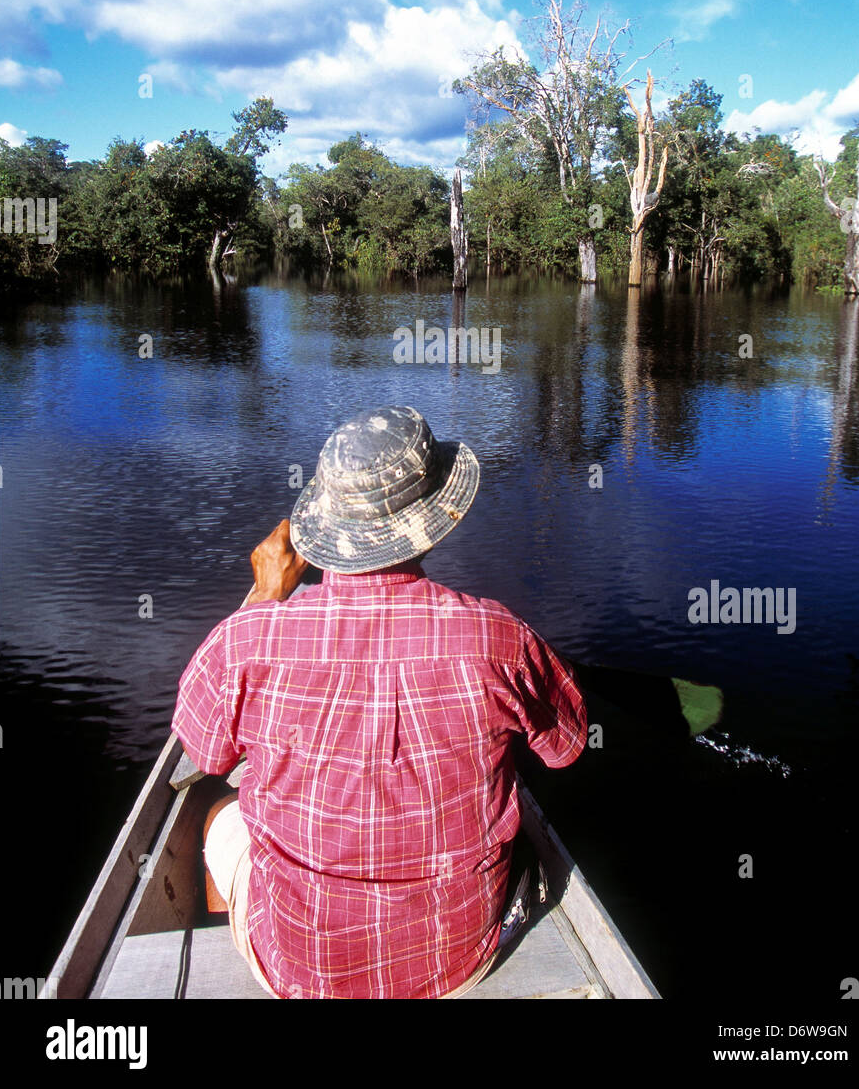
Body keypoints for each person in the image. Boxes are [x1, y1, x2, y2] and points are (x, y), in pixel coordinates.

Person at [172, 406, 587, 999]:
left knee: (216, 812)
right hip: (455, 960)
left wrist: (264, 597)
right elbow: (567, 748)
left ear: (326, 523)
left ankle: (242, 954)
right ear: (434, 516)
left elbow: (206, 751)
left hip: (302, 968)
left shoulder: (249, 639)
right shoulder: (499, 636)